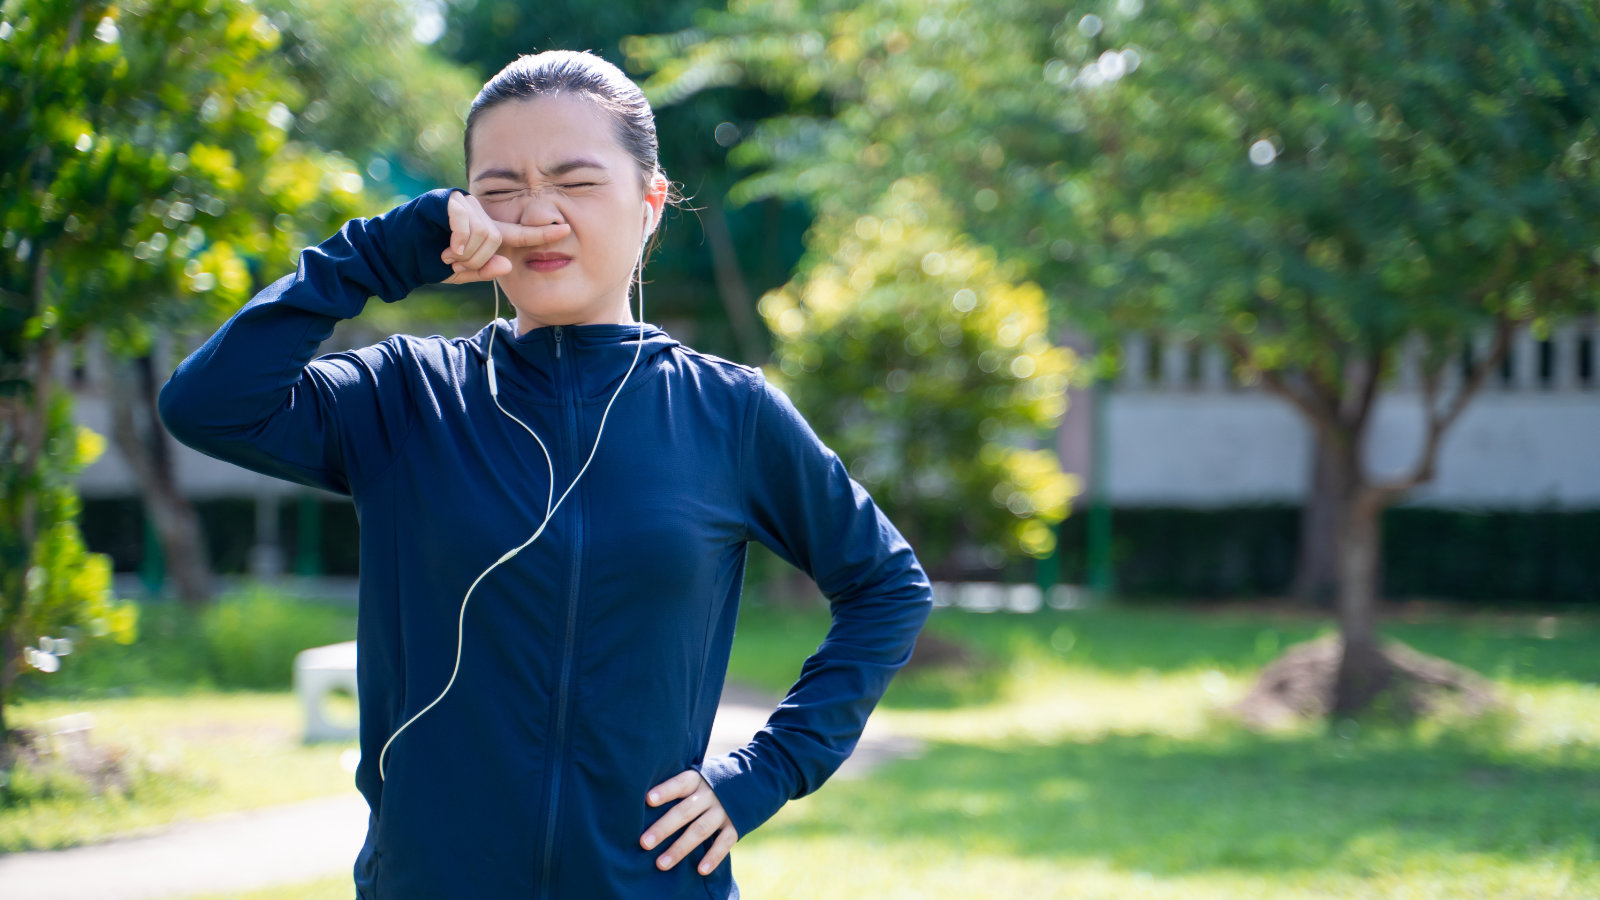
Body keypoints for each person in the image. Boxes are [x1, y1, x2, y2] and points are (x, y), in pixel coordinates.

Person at [158, 49, 932, 899]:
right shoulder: (406, 395)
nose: (537, 214)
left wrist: (766, 771)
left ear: (650, 203)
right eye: (499, 189)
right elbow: (207, 404)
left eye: (575, 181)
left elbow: (888, 587)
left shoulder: (729, 413)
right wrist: (376, 257)